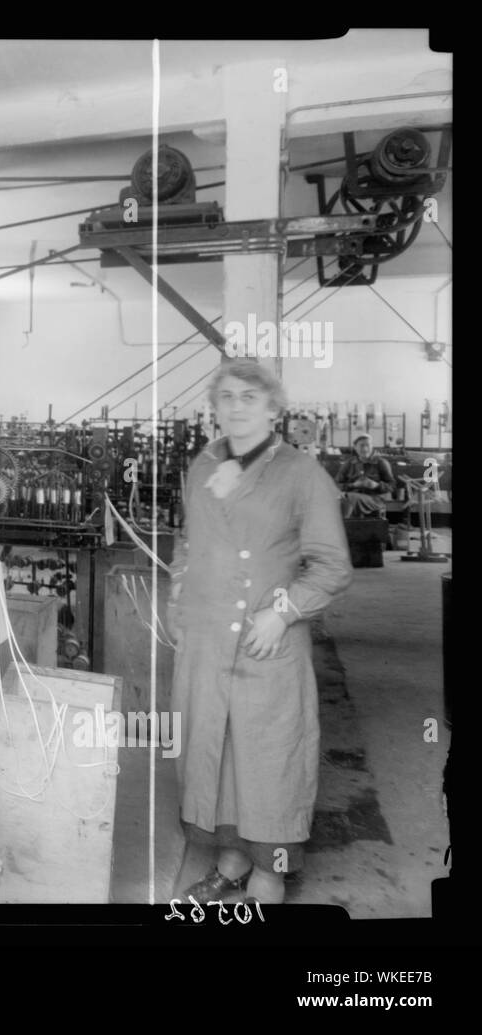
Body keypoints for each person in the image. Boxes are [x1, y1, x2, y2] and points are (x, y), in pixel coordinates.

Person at [168, 359, 352, 906]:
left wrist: (285, 611)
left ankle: (268, 879)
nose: (237, 407)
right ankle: (229, 864)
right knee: (214, 754)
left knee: (269, 762)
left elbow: (331, 566)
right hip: (205, 641)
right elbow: (188, 542)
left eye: (250, 397)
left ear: (274, 409)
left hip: (264, 640)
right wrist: (178, 597)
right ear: (215, 408)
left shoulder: (301, 474)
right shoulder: (201, 467)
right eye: (226, 397)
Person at [335, 434, 395, 518]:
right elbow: (336, 484)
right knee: (340, 498)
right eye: (361, 445)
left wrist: (376, 485)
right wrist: (353, 485)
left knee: (348, 498)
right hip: (351, 496)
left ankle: (343, 527)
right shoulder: (349, 463)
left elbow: (392, 486)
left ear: (372, 446)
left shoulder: (381, 463)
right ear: (355, 447)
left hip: (374, 499)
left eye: (368, 445)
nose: (365, 449)